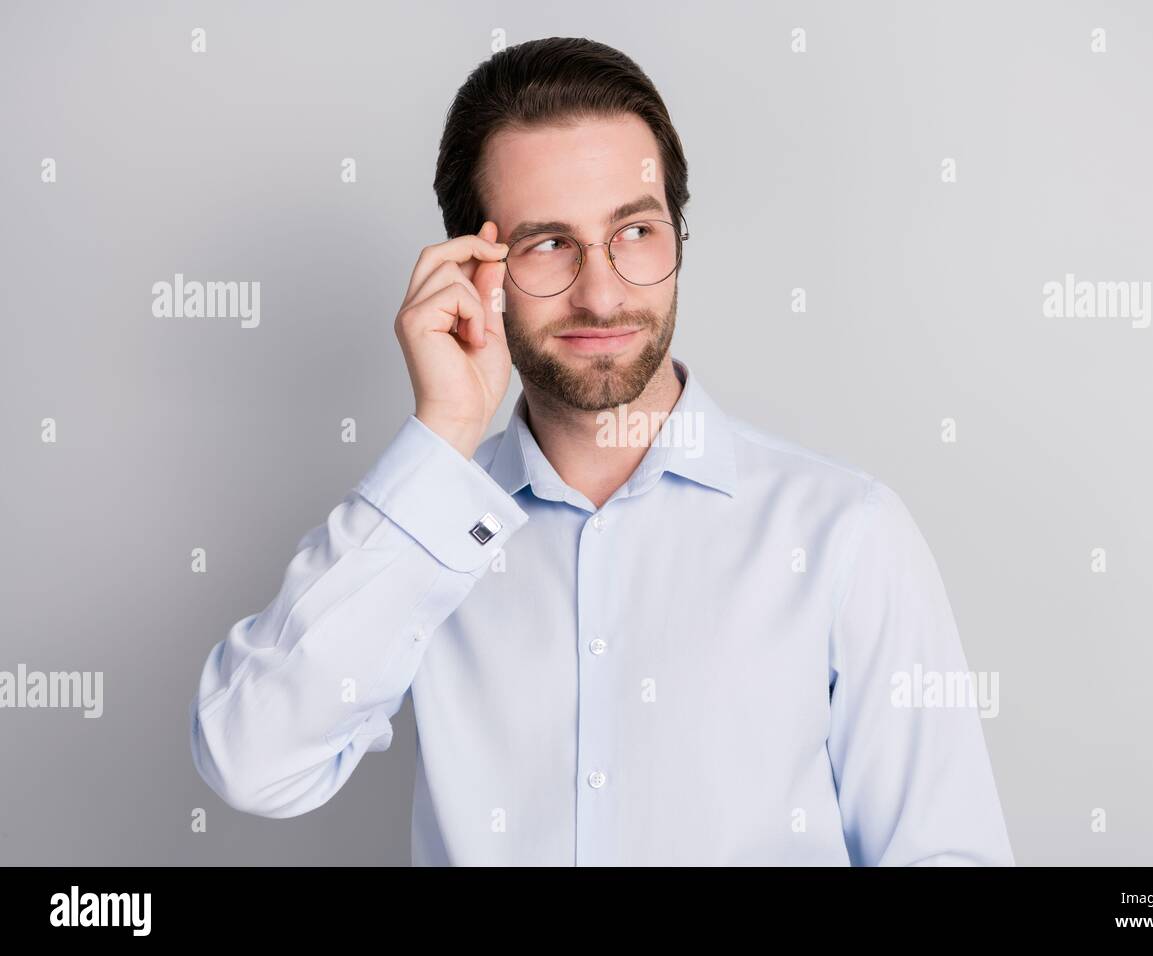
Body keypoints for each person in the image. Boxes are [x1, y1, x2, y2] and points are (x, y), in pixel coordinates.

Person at [189, 36, 1014, 866]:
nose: (603, 291)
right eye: (548, 243)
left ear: (678, 238)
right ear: (478, 268)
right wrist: (440, 438)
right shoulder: (426, 538)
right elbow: (252, 763)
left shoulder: (846, 534)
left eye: (636, 231)